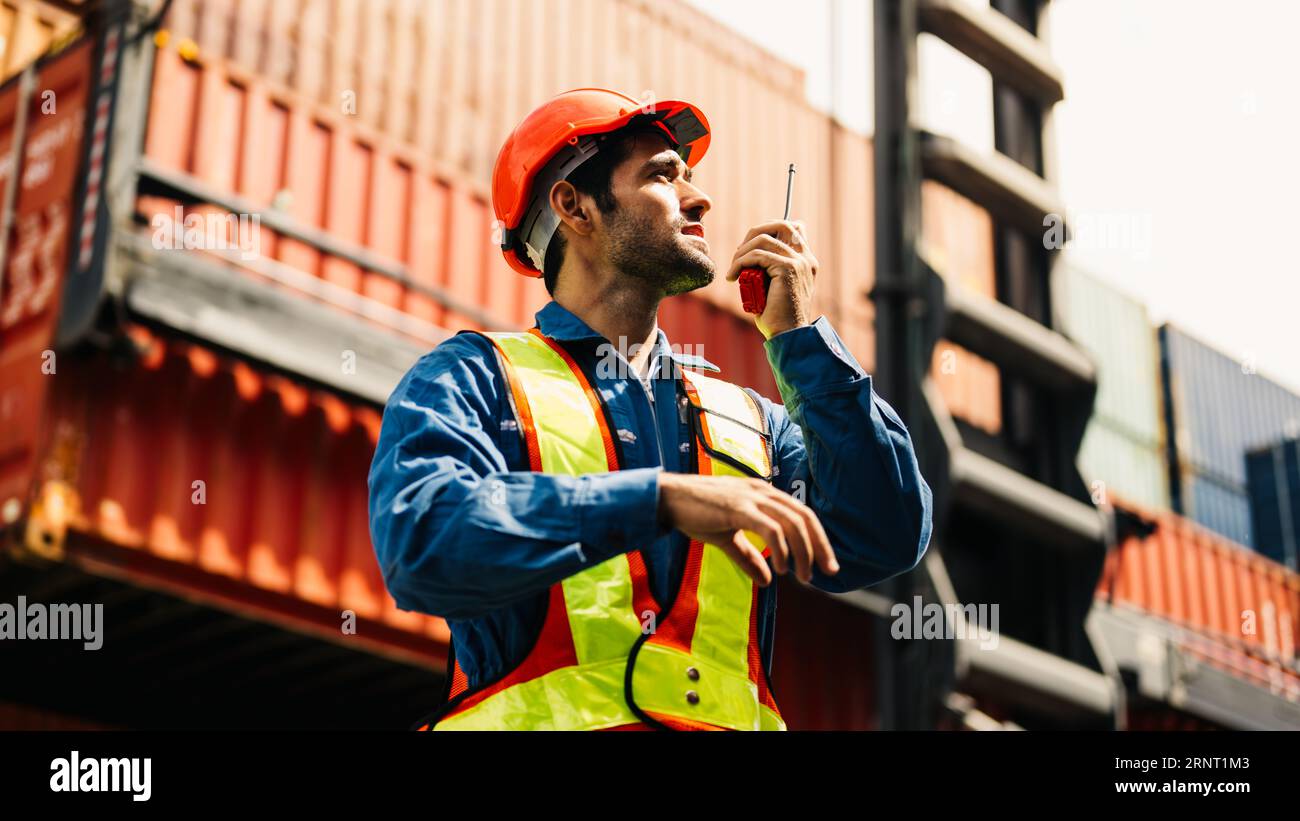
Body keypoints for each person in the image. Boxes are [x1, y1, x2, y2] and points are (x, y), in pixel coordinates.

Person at [368, 89, 933, 730]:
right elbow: (419, 545)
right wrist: (658, 501)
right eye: (664, 174)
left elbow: (883, 534)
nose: (700, 199)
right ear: (574, 206)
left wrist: (803, 342)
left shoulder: (749, 425)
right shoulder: (476, 379)